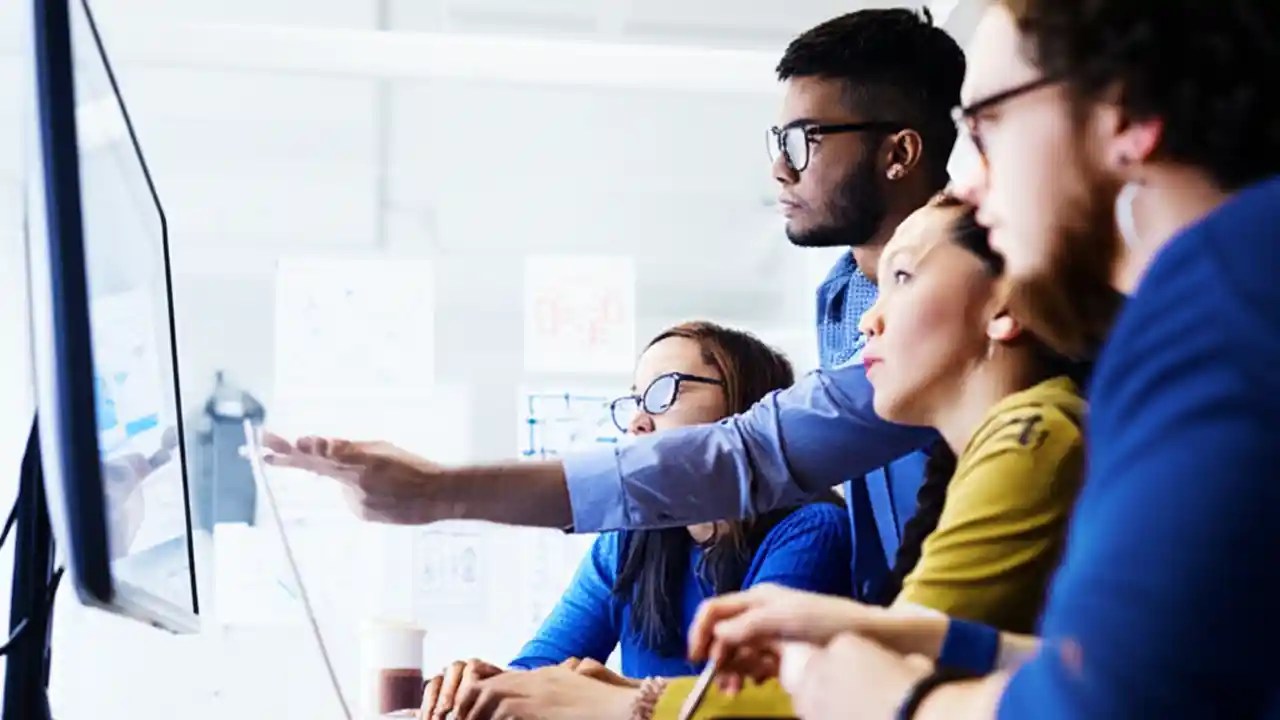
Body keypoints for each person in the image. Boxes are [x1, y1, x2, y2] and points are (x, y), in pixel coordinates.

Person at [688, 1, 1280, 718]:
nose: (965, 181)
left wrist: (899, 698)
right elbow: (1159, 659)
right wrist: (910, 632)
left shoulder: (1216, 302)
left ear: (1123, 116)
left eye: (987, 125)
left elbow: (1109, 704)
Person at [264, 6, 967, 594]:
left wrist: (438, 491)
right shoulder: (845, 291)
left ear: (898, 153)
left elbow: (747, 457)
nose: (778, 166)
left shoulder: (964, 289)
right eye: (776, 139)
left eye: (803, 140)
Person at [444, 193, 1103, 720]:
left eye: (902, 277)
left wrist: (627, 704)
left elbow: (881, 679)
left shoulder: (1031, 434)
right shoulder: (996, 446)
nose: (871, 319)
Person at [417, 322, 852, 718]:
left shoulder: (813, 528)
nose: (638, 422)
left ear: (746, 407)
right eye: (636, 400)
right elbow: (540, 669)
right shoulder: (628, 541)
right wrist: (488, 684)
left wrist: (616, 697)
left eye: (664, 391)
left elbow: (759, 704)